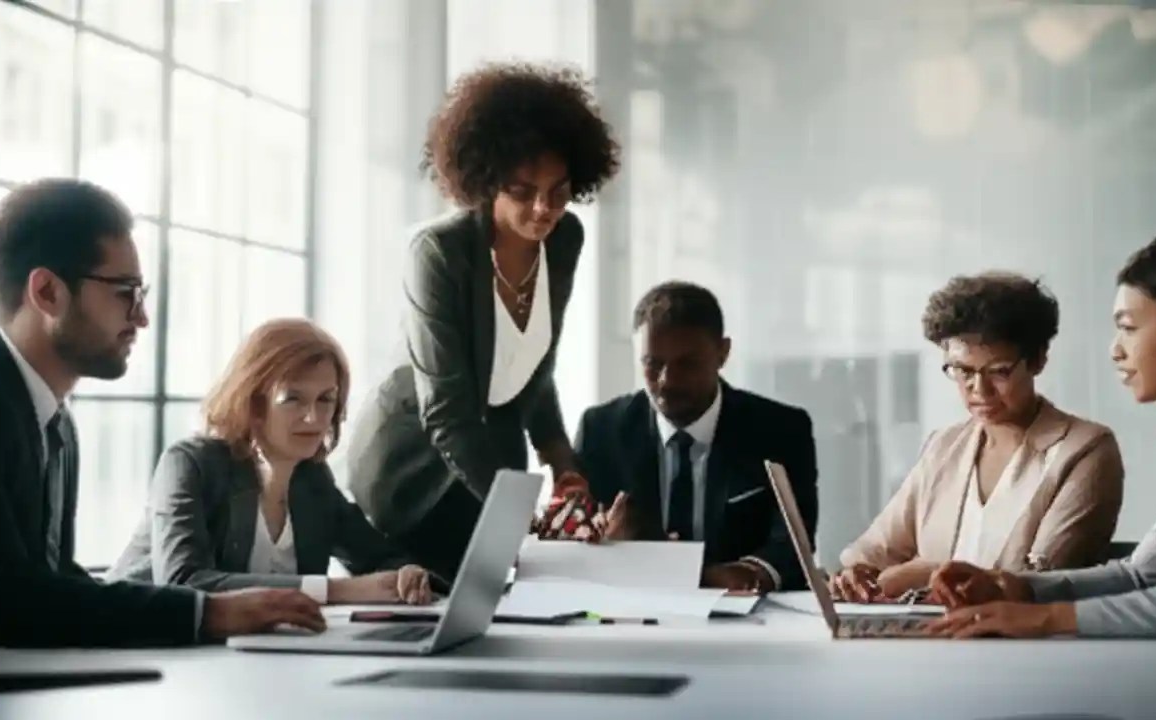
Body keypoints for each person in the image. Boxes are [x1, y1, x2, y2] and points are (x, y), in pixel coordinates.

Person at [0, 179, 324, 647]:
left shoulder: (55, 422)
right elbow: (2, 598)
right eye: (125, 292)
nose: (142, 318)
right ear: (47, 292)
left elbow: (54, 579)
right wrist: (208, 613)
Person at [926, 233, 1156, 680]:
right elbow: (1146, 574)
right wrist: (1019, 589)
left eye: (1128, 326)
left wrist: (1046, 619)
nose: (1115, 348)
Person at [345, 62, 620, 580]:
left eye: (559, 190)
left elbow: (532, 361)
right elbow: (447, 413)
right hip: (411, 470)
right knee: (428, 610)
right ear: (486, 181)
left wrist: (562, 462)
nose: (544, 208)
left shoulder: (564, 240)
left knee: (496, 611)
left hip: (489, 457)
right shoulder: (438, 253)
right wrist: (519, 513)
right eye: (521, 190)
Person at [831, 272, 1124, 602]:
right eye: (963, 371)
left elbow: (1040, 581)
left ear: (1038, 359)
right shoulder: (945, 446)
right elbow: (874, 550)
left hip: (1027, 645)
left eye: (999, 371)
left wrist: (919, 572)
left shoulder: (1086, 449)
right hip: (929, 639)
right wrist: (856, 573)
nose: (979, 390)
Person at [109, 319, 433, 605]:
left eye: (326, 399)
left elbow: (381, 557)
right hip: (133, 648)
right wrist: (335, 591)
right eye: (293, 398)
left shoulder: (312, 481)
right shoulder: (190, 465)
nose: (314, 417)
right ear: (253, 402)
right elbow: (184, 582)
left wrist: (407, 575)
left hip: (248, 656)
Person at [537, 281, 819, 592]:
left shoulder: (780, 429)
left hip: (747, 621)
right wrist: (605, 542)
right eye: (652, 364)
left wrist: (744, 574)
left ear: (723, 353)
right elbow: (574, 544)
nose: (667, 381)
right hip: (631, 617)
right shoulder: (602, 429)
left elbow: (793, 546)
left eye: (687, 364)